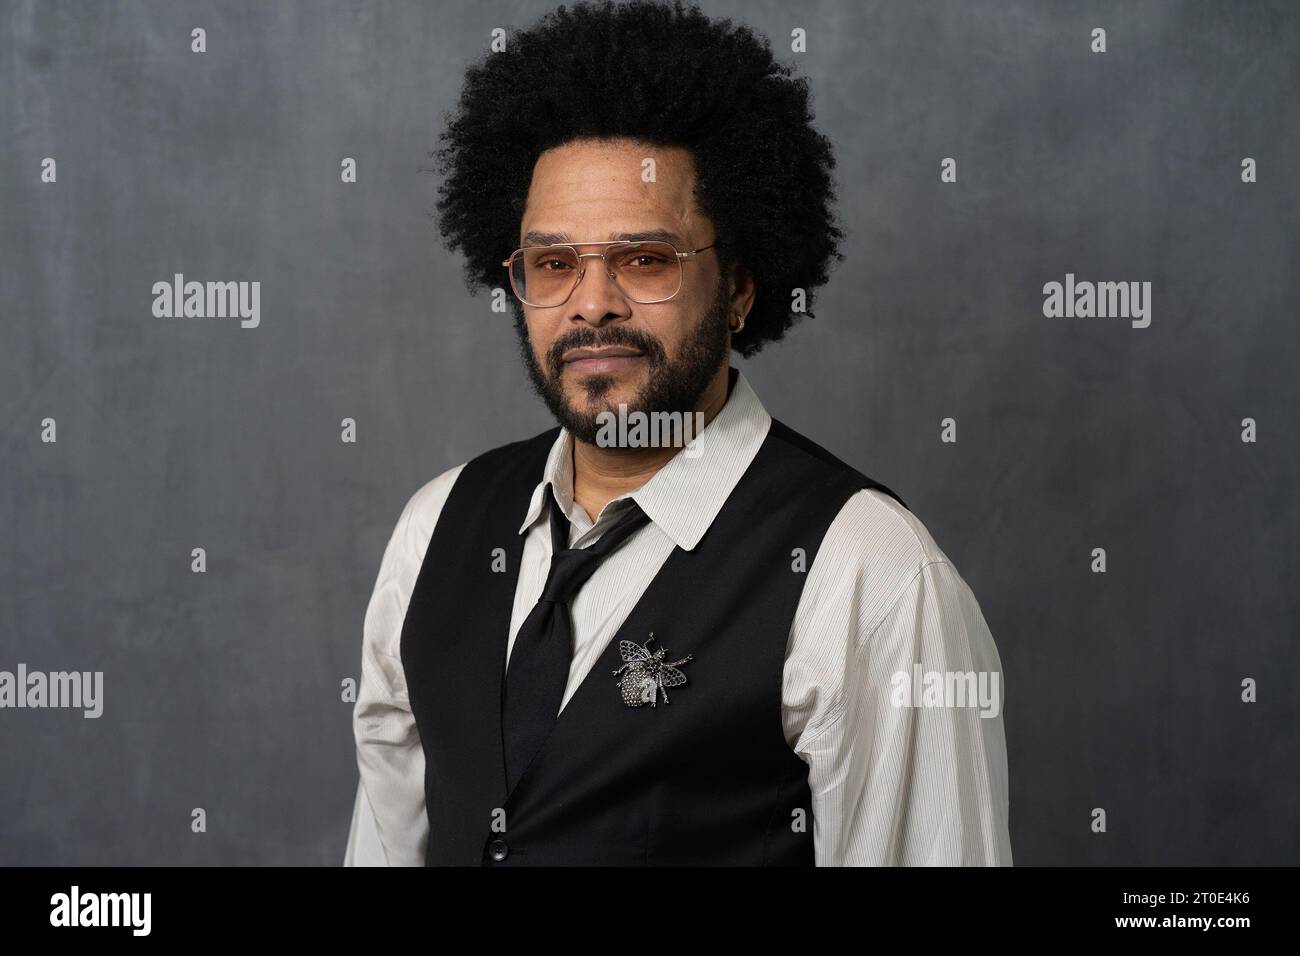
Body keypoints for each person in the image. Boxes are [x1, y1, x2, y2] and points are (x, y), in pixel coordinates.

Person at [344, 0, 1011, 866]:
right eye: (553, 264)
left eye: (644, 259)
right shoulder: (434, 530)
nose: (591, 303)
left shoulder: (869, 573)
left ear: (737, 288)